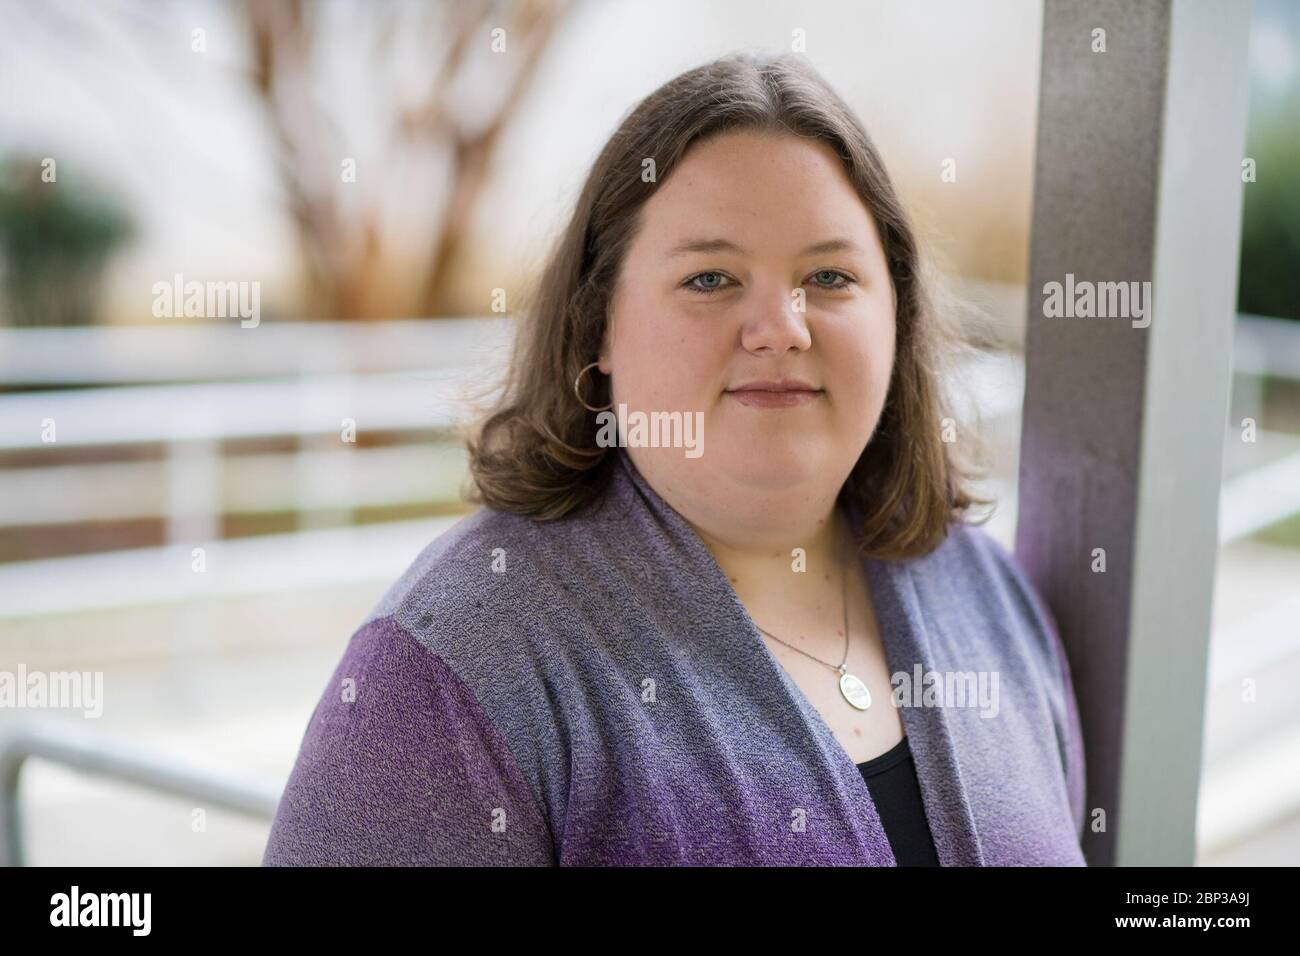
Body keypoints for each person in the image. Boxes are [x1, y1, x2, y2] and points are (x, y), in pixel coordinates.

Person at [262, 51, 1087, 867]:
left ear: (896, 317)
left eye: (830, 275)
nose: (781, 327)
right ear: (598, 327)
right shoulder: (456, 667)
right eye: (711, 278)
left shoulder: (986, 597)